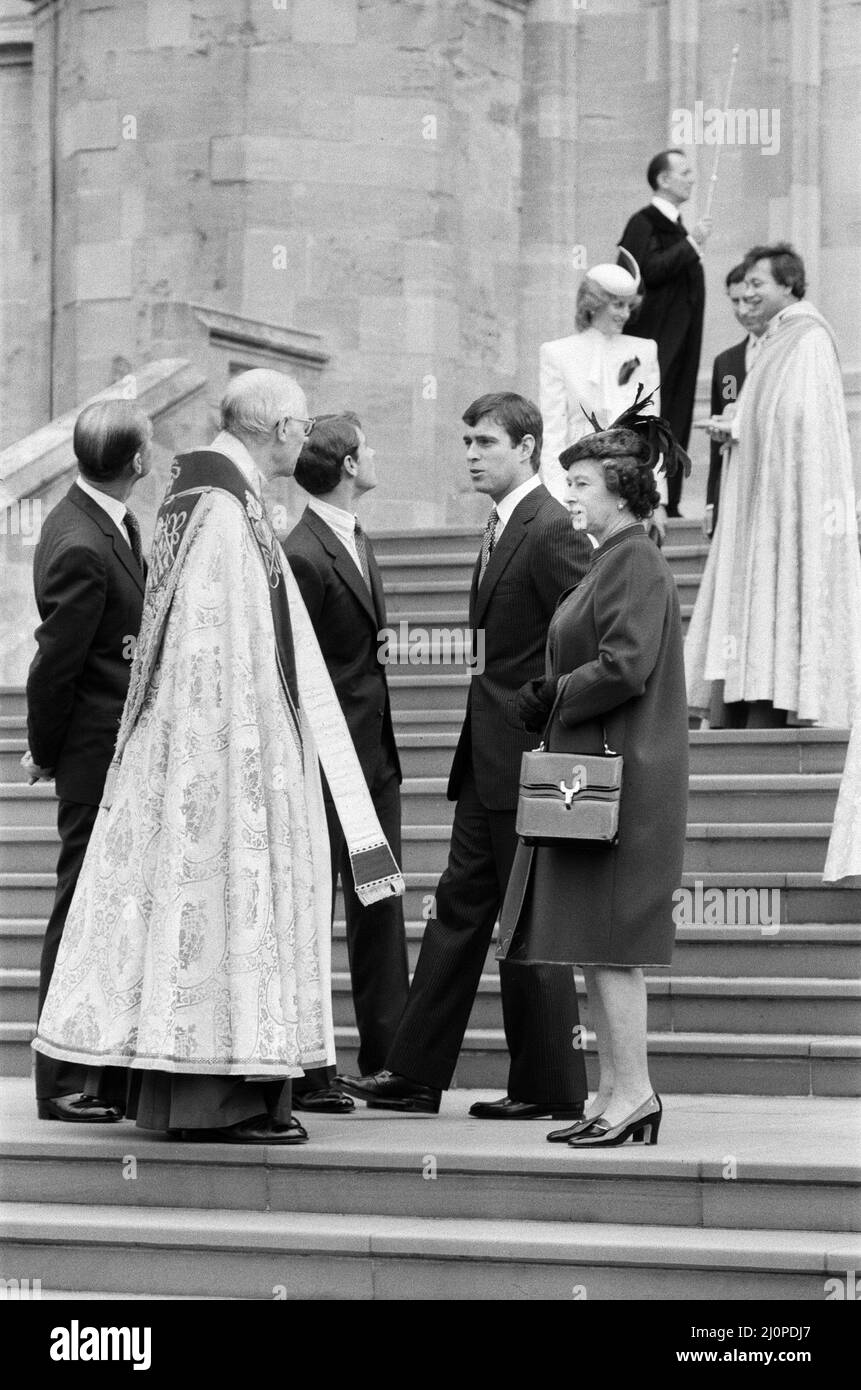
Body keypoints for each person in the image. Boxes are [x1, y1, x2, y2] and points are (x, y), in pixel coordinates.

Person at [32, 369, 404, 1145]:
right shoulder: (224, 514)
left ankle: (224, 1087)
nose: (305, 442)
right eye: (301, 427)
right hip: (220, 759)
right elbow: (216, 657)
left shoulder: (204, 497)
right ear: (274, 429)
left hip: (210, 750)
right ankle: (218, 1096)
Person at [340, 392, 592, 1120]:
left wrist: (540, 711)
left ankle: (547, 1087)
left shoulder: (548, 528)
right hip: (484, 765)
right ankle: (415, 1074)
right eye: (466, 441)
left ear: (527, 447)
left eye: (485, 442)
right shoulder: (504, 525)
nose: (471, 454)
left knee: (527, 920)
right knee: (458, 911)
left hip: (529, 760)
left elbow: (585, 628)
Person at [502, 396, 690, 1148]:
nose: (569, 494)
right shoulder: (611, 558)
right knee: (594, 942)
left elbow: (625, 665)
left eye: (579, 483)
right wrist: (555, 698)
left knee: (612, 946)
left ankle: (633, 1093)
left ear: (618, 488)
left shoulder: (633, 559)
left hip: (623, 777)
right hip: (598, 770)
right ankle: (613, 1092)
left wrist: (557, 693)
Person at [24, 399, 152, 1123]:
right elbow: (56, 665)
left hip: (110, 754)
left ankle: (98, 1071)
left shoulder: (103, 523)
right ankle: (60, 1081)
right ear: (135, 461)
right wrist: (47, 750)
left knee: (101, 912)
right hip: (93, 758)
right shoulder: (81, 539)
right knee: (76, 913)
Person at [282, 414, 409, 1115]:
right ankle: (307, 1067)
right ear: (352, 464)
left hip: (373, 763)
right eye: (372, 446)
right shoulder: (300, 551)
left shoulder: (356, 536)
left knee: (378, 905)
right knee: (313, 910)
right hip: (322, 768)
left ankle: (388, 1060)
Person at [686, 243, 861, 731]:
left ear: (789, 285)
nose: (748, 293)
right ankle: (748, 700)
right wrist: (738, 424)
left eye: (759, 284)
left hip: (787, 502)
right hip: (763, 497)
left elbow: (801, 419)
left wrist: (742, 425)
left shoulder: (806, 338)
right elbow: (777, 412)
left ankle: (776, 704)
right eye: (745, 287)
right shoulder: (779, 338)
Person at [539, 256, 667, 537]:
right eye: (617, 304)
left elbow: (651, 430)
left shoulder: (644, 351)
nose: (625, 314)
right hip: (579, 482)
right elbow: (553, 434)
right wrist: (560, 499)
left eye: (628, 306)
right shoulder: (557, 353)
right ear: (594, 304)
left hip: (629, 482)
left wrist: (656, 498)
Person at [617, 149, 710, 516]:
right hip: (657, 338)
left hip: (682, 340)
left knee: (677, 413)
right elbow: (646, 273)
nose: (692, 178)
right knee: (654, 415)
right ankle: (647, 501)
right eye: (684, 172)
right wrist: (691, 245)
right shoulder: (644, 222)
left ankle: (668, 501)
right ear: (663, 180)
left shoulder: (675, 226)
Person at [703, 263, 767, 538]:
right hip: (736, 487)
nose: (742, 310)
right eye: (735, 301)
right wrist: (711, 501)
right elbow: (717, 446)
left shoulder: (793, 351)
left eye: (749, 300)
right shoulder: (727, 362)